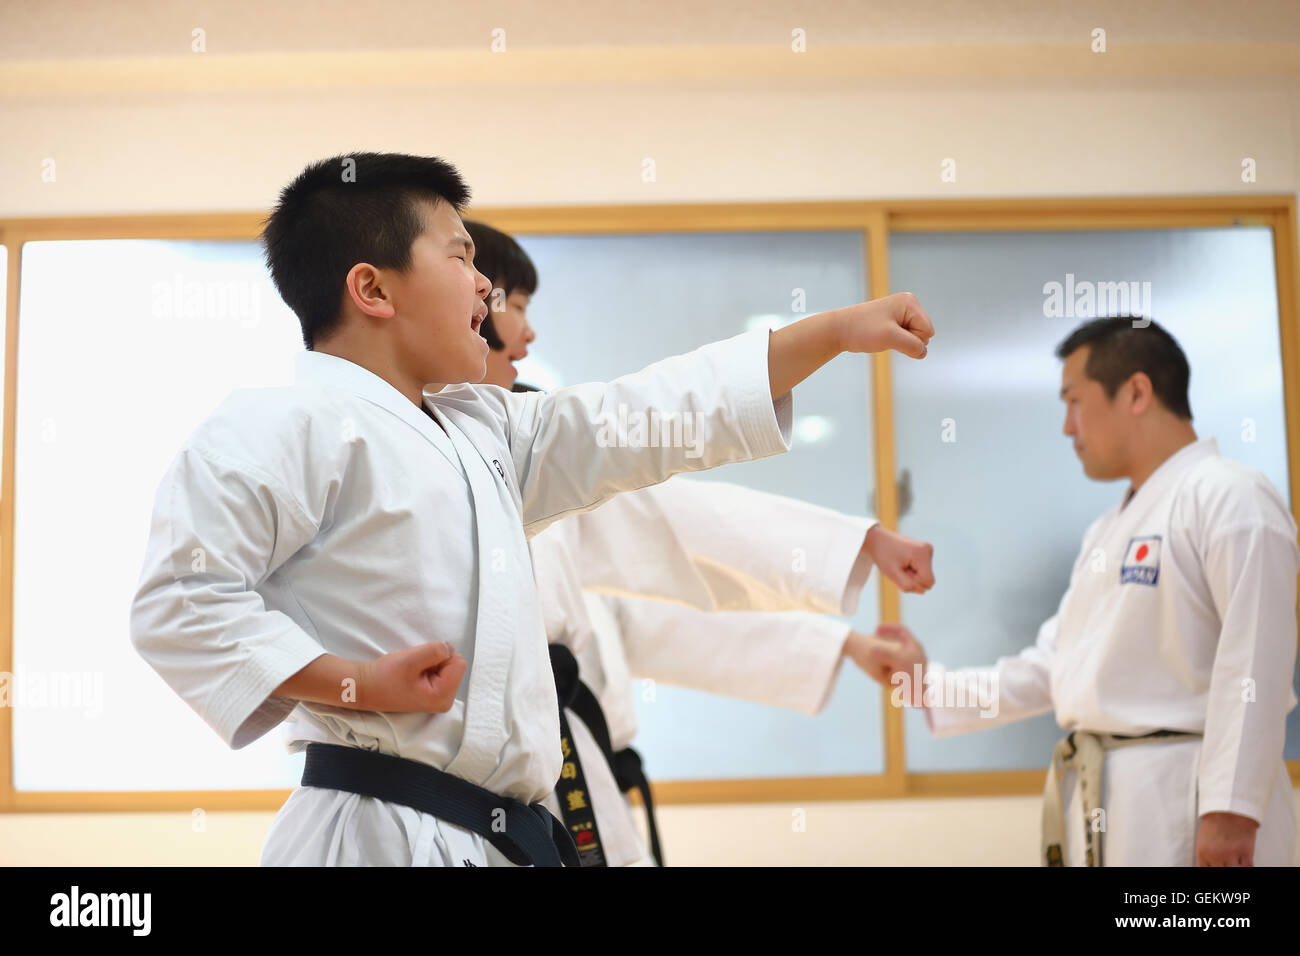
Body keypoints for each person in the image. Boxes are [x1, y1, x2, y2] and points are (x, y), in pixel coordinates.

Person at [128, 151, 936, 867]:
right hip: (374, 831)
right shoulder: (280, 422)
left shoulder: (485, 434)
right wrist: (356, 683)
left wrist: (830, 332)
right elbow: (180, 602)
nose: (483, 285)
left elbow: (643, 415)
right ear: (372, 289)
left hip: (501, 830)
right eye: (460, 256)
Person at [466, 218, 934, 866]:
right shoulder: (414, 450)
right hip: (483, 799)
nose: (527, 329)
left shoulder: (533, 449)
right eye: (512, 304)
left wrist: (844, 594)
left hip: (573, 782)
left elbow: (669, 568)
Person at [867, 316, 1298, 867]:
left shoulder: (1231, 497)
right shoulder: (1107, 532)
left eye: (1074, 401)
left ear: (1137, 392)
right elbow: (1054, 667)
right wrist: (927, 685)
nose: (1068, 428)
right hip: (1111, 797)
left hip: (1193, 799)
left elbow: (1254, 664)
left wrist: (1231, 812)